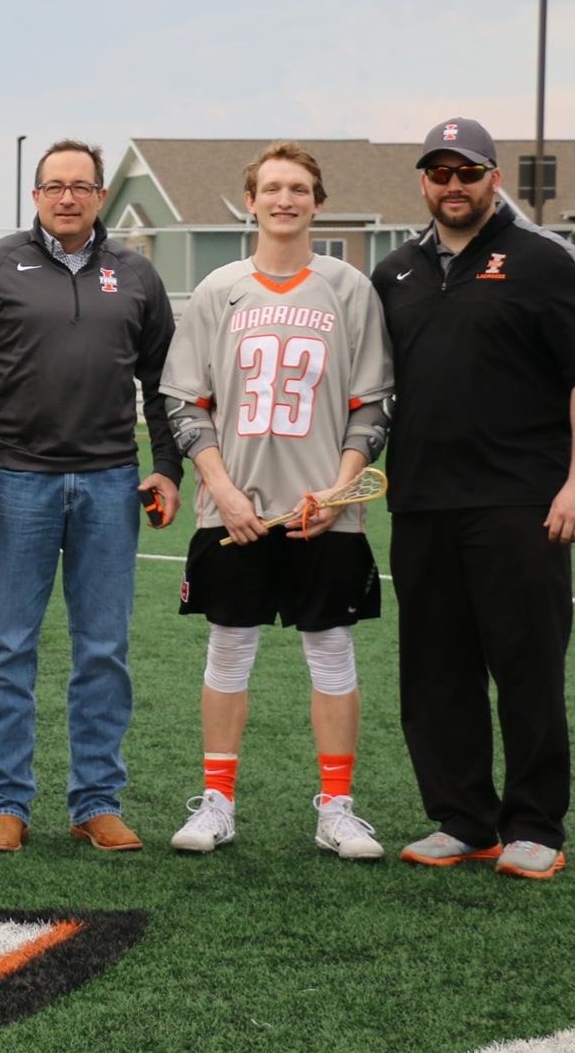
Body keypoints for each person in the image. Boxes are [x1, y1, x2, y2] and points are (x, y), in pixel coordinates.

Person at [372, 118, 575, 880]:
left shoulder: (544, 257)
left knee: (526, 668)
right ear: (423, 182)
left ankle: (533, 826)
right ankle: (463, 821)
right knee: (434, 674)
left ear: (494, 178)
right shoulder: (393, 273)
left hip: (520, 503)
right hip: (421, 503)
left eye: (467, 172)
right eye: (439, 173)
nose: (452, 185)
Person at [0, 139, 180, 855]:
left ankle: (96, 801)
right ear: (36, 195)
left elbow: (163, 383)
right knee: (7, 647)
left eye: (80, 186)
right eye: (53, 186)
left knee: (103, 649)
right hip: (16, 480)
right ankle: (6, 802)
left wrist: (167, 467)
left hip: (110, 482)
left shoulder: (136, 274)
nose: (66, 197)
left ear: (101, 195)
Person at [158, 142, 394, 861]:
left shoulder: (348, 288)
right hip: (236, 510)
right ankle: (217, 803)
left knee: (332, 652)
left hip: (325, 511)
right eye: (271, 188)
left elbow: (372, 405)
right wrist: (223, 491)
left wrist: (340, 490)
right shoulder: (218, 290)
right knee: (229, 648)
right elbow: (185, 403)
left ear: (317, 202)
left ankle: (337, 808)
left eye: (298, 189)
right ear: (250, 202)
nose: (284, 199)